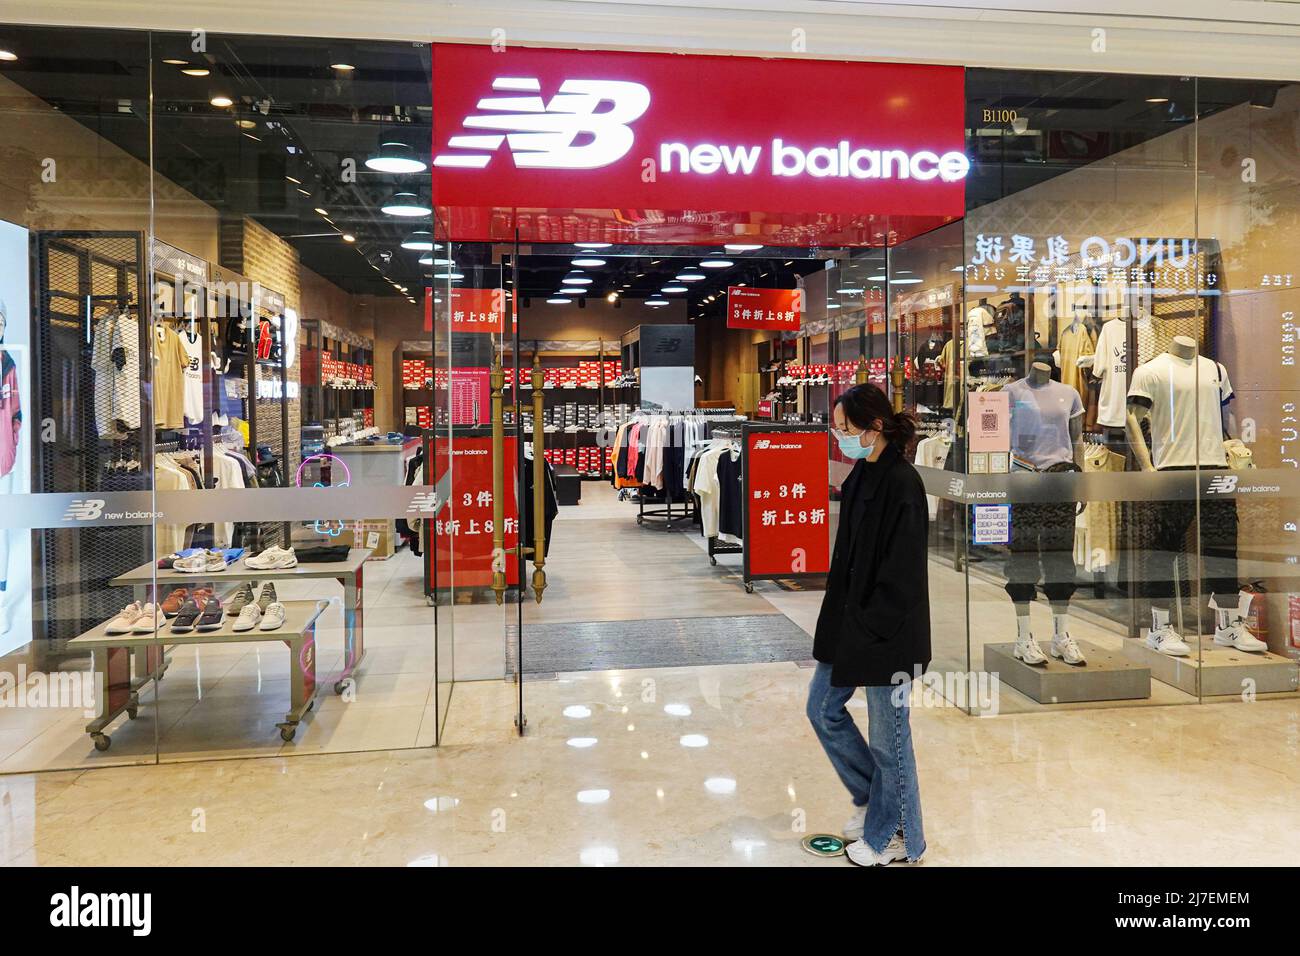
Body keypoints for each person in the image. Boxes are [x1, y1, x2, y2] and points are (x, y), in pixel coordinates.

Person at [807, 382, 930, 866]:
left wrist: (869, 624)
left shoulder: (903, 484)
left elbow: (902, 573)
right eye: (836, 429)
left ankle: (899, 837)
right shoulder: (861, 475)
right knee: (822, 709)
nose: (841, 438)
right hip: (849, 625)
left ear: (876, 427)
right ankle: (876, 803)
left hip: (887, 633)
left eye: (847, 429)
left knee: (889, 739)